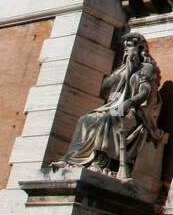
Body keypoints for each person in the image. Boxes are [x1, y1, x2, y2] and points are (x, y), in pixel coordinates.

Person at [53, 32, 164, 180]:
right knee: (86, 119)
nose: (126, 51)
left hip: (135, 112)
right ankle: (72, 159)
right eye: (125, 47)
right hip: (115, 107)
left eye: (129, 47)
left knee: (108, 118)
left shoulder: (146, 68)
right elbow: (106, 90)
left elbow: (144, 93)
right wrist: (116, 78)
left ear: (140, 48)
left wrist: (129, 102)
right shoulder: (121, 70)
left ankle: (100, 162)